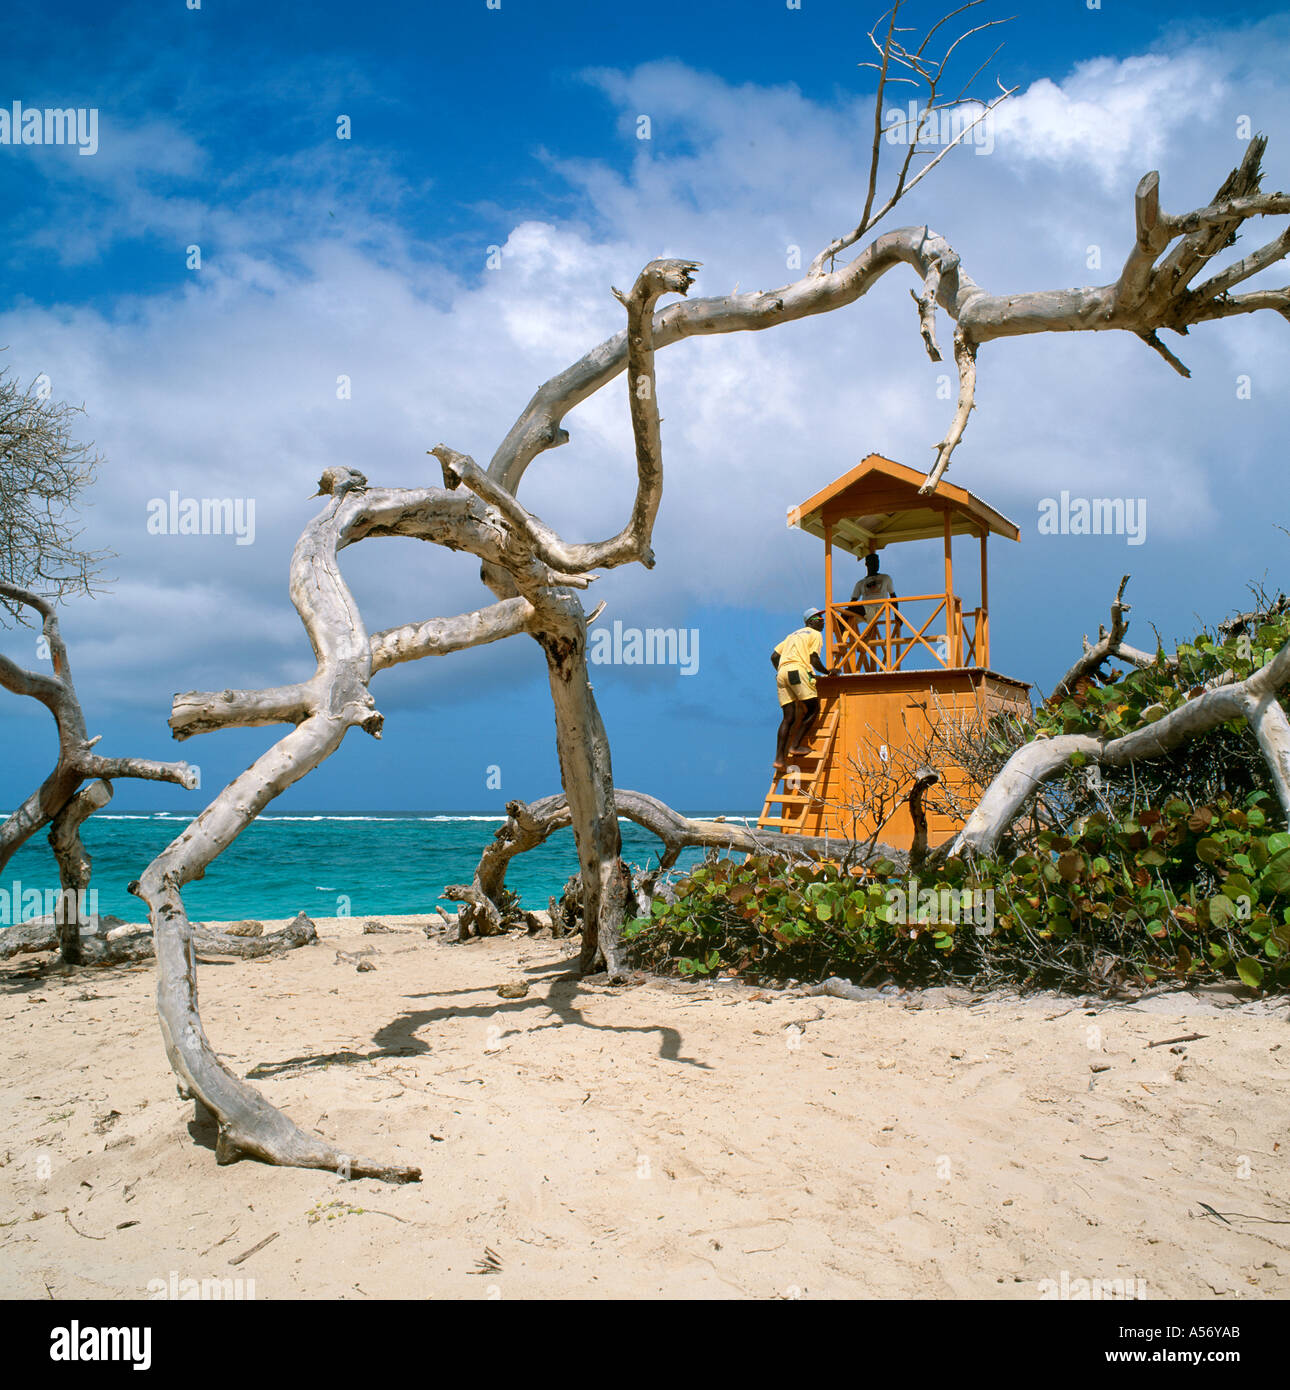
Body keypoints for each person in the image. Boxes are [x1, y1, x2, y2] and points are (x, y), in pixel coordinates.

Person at [771, 608, 828, 773]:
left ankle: (779, 759)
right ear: (809, 622)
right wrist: (828, 672)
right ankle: (795, 746)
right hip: (797, 671)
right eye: (818, 619)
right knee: (813, 709)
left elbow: (774, 656)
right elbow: (814, 659)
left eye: (822, 618)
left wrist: (783, 670)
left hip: (782, 673)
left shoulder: (792, 635)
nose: (822, 621)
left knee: (788, 718)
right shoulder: (815, 634)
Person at [850, 551, 898, 668]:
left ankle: (857, 639)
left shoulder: (885, 578)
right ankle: (844, 638)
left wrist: (897, 616)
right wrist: (847, 612)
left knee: (856, 608)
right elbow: (853, 600)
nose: (876, 565)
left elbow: (893, 597)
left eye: (877, 562)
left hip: (877, 610)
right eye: (873, 562)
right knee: (845, 614)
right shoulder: (861, 583)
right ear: (866, 564)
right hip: (863, 611)